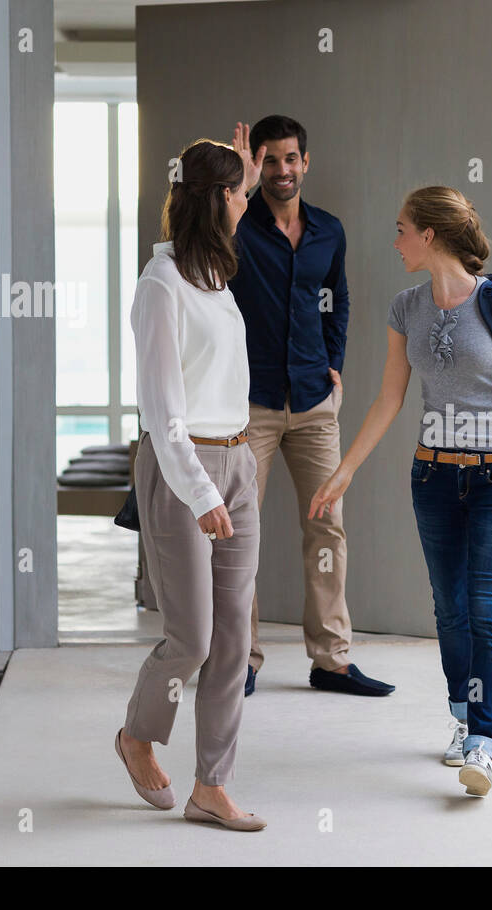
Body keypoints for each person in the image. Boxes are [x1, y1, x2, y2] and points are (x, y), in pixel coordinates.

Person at [308, 186, 492, 796]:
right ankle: (463, 714)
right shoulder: (406, 307)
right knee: (450, 609)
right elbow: (390, 398)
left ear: (430, 235)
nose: (394, 240)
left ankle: (485, 737)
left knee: (487, 608)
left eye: (401, 229)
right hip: (432, 475)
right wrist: (346, 468)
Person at [116, 138, 266, 831]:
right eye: (238, 194)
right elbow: (162, 409)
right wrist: (202, 493)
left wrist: (247, 175)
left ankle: (211, 786)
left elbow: (216, 381)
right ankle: (138, 735)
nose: (247, 203)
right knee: (193, 637)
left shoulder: (214, 274)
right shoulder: (162, 285)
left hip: (238, 461)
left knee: (235, 637)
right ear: (215, 202)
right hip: (184, 470)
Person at [226, 115, 394, 698]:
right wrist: (239, 188)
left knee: (328, 529)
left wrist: (335, 360)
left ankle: (331, 660)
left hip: (315, 403)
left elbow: (338, 299)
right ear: (259, 166)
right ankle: (238, 660)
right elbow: (196, 253)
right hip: (251, 405)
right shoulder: (237, 226)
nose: (282, 171)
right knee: (239, 533)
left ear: (306, 162)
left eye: (290, 159)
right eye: (269, 160)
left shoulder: (329, 231)